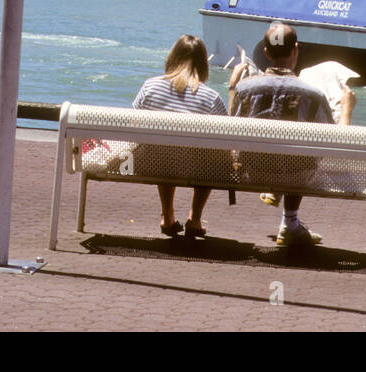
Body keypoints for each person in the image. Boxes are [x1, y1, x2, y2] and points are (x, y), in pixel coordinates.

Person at [226, 23, 333, 246]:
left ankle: (289, 221)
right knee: (302, 153)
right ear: (295, 50)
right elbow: (330, 138)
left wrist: (232, 88)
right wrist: (347, 110)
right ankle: (290, 223)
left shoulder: (245, 89)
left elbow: (230, 129)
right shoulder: (314, 94)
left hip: (253, 172)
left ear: (266, 52)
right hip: (296, 174)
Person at [132, 34, 226, 238]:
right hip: (196, 167)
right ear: (203, 64)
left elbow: (133, 122)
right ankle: (195, 218)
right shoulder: (210, 97)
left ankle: (167, 215)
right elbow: (227, 137)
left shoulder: (150, 87)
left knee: (163, 150)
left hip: (151, 164)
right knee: (211, 157)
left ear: (172, 58)